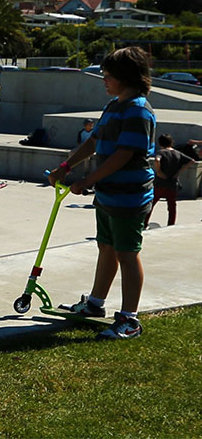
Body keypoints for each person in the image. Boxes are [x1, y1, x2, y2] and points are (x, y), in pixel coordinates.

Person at [47, 47, 156, 340]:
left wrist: (88, 180)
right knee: (106, 247)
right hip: (108, 194)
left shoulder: (138, 110)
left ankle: (129, 319)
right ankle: (95, 304)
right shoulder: (113, 107)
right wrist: (65, 167)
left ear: (125, 77)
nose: (103, 80)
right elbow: (93, 141)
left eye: (108, 75)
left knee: (127, 254)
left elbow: (123, 154)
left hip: (129, 196)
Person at [146, 134, 194, 227]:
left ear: (160, 143)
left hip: (160, 182)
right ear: (171, 142)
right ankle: (171, 225)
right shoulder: (177, 153)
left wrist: (159, 172)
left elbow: (157, 160)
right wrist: (178, 173)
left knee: (151, 203)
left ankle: (144, 223)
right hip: (172, 183)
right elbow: (192, 161)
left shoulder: (161, 152)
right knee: (172, 206)